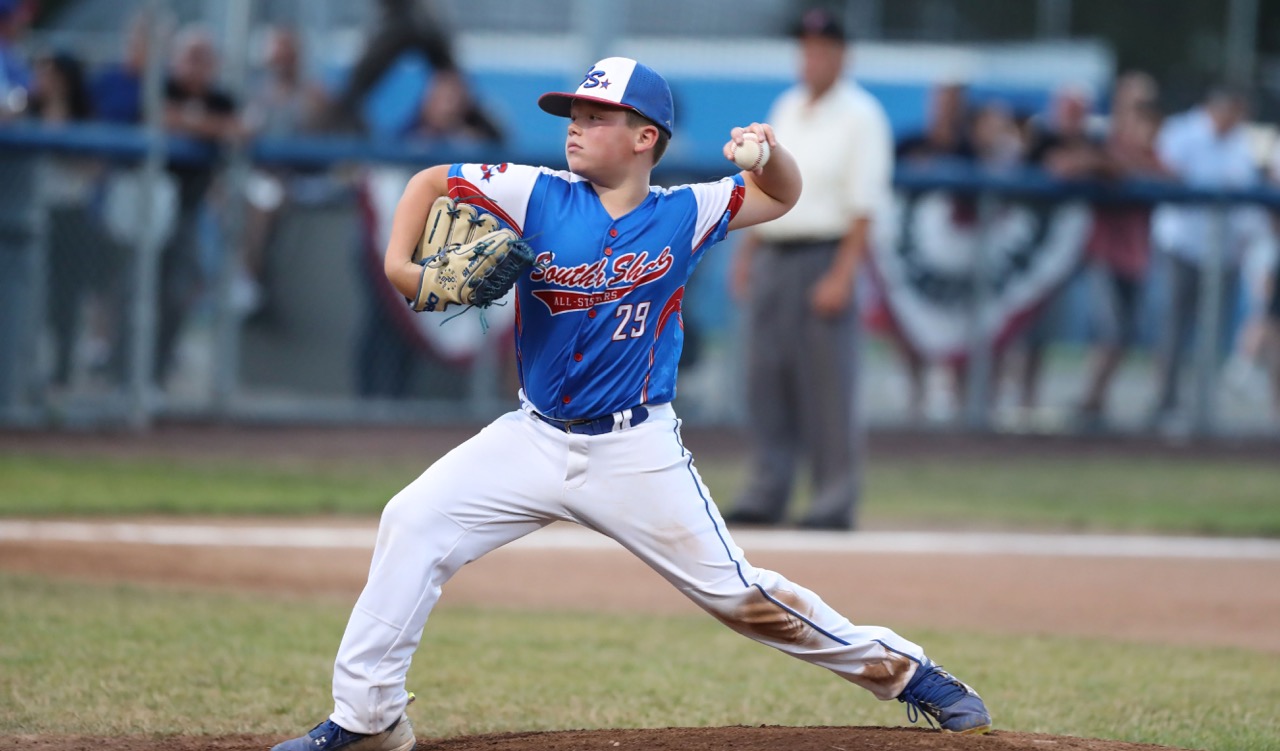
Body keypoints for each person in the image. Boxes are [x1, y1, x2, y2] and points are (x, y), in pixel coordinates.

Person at [269, 56, 991, 751]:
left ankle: (907, 672)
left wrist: (768, 155)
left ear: (646, 136)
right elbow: (429, 181)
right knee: (412, 520)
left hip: (635, 449)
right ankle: (368, 717)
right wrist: (402, 266)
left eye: (596, 115)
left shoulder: (686, 210)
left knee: (743, 598)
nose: (575, 126)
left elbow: (784, 196)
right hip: (534, 436)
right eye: (573, 113)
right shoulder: (535, 192)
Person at [722, 8, 892, 531]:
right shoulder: (787, 107)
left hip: (826, 250)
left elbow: (865, 205)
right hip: (775, 250)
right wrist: (747, 255)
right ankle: (766, 490)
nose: (811, 58)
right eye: (805, 48)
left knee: (827, 382)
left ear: (841, 55)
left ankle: (833, 499)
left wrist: (843, 275)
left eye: (821, 49)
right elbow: (764, 186)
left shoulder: (862, 115)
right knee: (766, 376)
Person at [1149, 86, 1266, 428]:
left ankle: (1203, 407)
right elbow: (1169, 177)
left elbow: (1246, 190)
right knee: (1174, 326)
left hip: (1225, 251)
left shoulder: (1239, 141)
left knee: (1213, 331)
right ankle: (1165, 402)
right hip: (1182, 244)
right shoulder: (1181, 132)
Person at [153, 25, 244, 389]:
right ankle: (122, 378)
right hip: (139, 208)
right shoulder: (161, 87)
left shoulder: (221, 98)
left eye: (204, 59)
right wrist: (206, 126)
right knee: (131, 293)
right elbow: (162, 116)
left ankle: (156, 374)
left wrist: (190, 122)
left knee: (178, 291)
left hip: (190, 209)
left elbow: (242, 128)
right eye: (190, 57)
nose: (196, 67)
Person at [1075, 99, 1172, 427]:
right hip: (1104, 255)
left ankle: (1095, 401)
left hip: (1137, 258)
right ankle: (1090, 400)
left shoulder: (1152, 158)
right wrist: (1124, 164)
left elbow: (1175, 178)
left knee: (1127, 335)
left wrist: (1136, 165)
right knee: (1112, 331)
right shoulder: (1107, 148)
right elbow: (1090, 164)